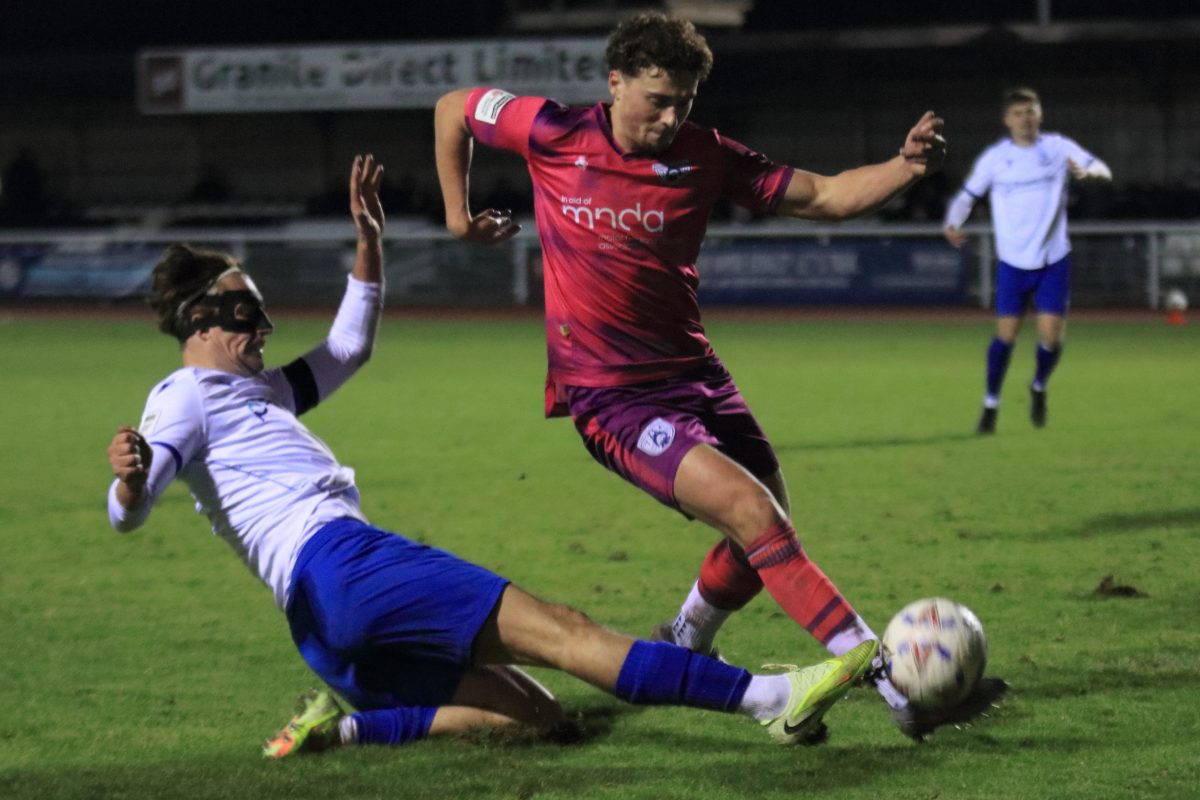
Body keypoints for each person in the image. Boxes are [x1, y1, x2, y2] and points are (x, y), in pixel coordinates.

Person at [104, 155, 878, 758]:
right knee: (566, 634)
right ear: (201, 320)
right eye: (248, 311)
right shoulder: (187, 395)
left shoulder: (258, 393)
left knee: (539, 718)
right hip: (345, 565)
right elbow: (130, 511)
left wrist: (369, 242)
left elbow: (348, 346)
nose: (264, 327)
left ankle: (338, 730)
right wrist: (132, 482)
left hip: (317, 621)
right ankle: (774, 699)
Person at [434, 12, 1003, 740]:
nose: (671, 118)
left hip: (698, 374)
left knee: (765, 529)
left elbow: (823, 196)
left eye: (685, 103)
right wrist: (457, 217)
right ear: (615, 84)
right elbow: (454, 107)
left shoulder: (706, 155)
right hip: (611, 397)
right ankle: (895, 688)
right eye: (657, 100)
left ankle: (685, 640)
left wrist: (907, 167)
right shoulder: (550, 130)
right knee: (753, 512)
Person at [943, 87, 1112, 434]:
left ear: (1041, 115)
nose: (1026, 118)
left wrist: (1088, 173)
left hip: (1053, 259)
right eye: (1019, 113)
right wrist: (952, 222)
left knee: (1050, 339)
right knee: (1005, 338)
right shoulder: (995, 158)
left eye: (1031, 111)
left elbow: (1102, 169)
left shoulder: (1058, 148)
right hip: (1013, 264)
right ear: (1007, 120)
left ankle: (1038, 386)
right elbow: (968, 195)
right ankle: (991, 403)